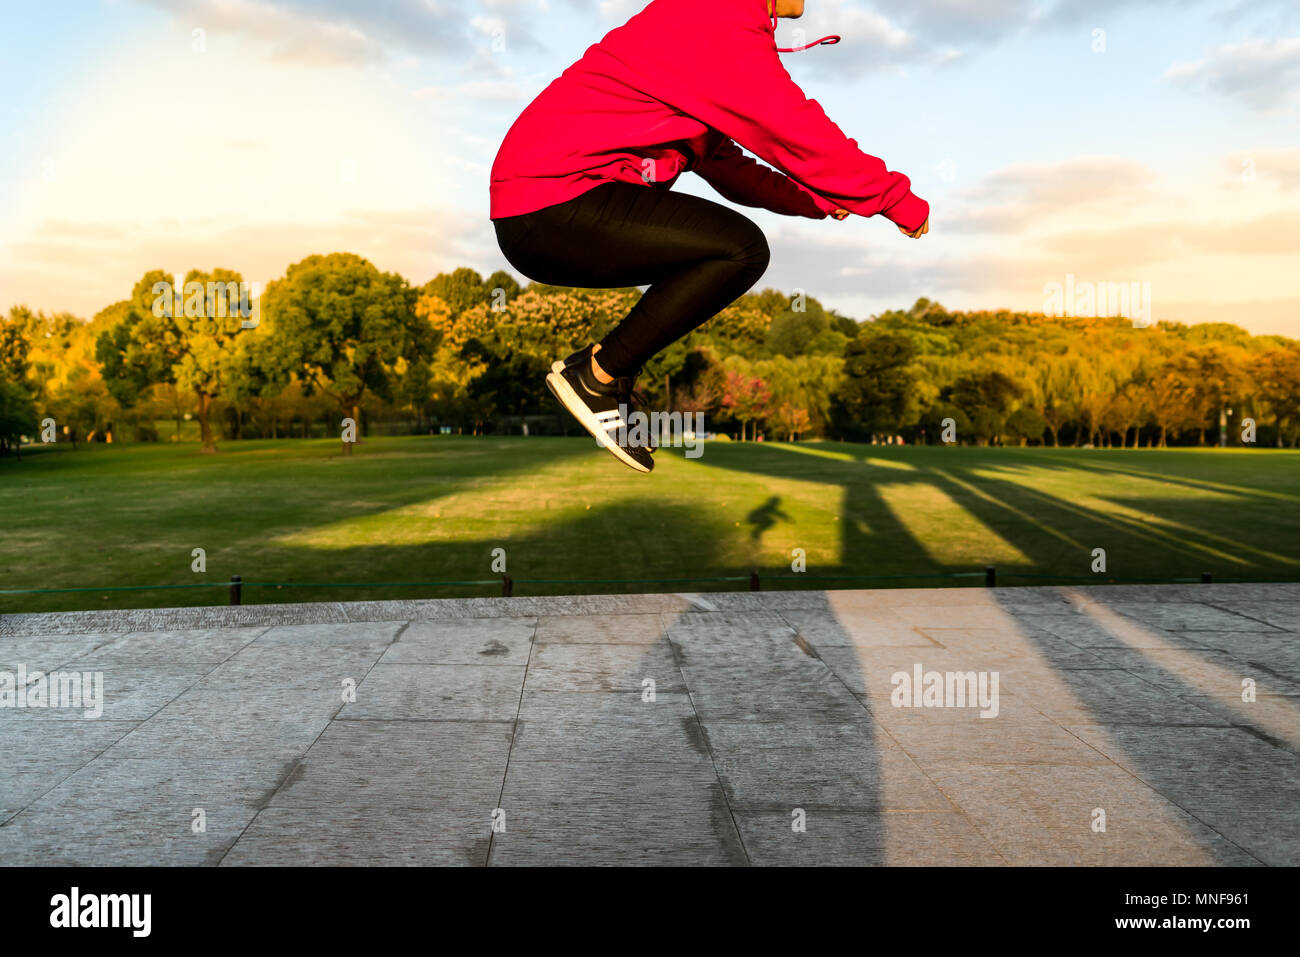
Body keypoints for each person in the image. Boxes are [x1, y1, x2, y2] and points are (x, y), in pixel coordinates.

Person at [489, 0, 930, 472]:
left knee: (730, 250)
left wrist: (818, 200)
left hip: (545, 212)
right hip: (553, 201)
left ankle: (604, 376)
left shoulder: (711, 27)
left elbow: (729, 168)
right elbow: (796, 131)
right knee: (738, 250)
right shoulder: (715, 17)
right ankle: (595, 376)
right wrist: (893, 198)